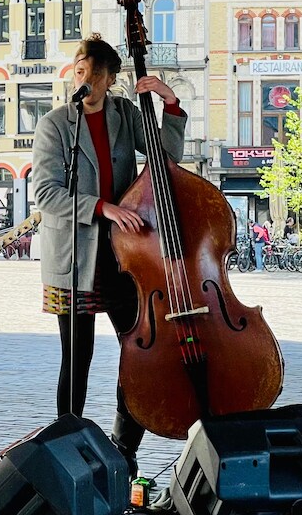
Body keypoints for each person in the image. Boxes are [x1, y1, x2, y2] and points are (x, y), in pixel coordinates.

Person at [32, 33, 188, 477]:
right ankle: (66, 448)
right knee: (76, 359)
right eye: (78, 72)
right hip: (73, 258)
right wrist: (103, 207)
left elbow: (166, 158)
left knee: (137, 354)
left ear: (109, 80)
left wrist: (170, 103)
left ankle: (124, 447)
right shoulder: (55, 125)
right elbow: (46, 193)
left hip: (126, 259)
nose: (82, 80)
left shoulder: (124, 113)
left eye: (92, 74)